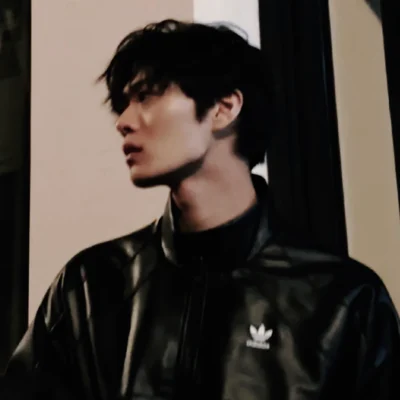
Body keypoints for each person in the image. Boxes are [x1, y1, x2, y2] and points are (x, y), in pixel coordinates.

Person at [1, 18, 399, 400]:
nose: (123, 121)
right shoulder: (90, 287)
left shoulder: (342, 301)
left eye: (145, 96)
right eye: (123, 105)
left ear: (224, 108)